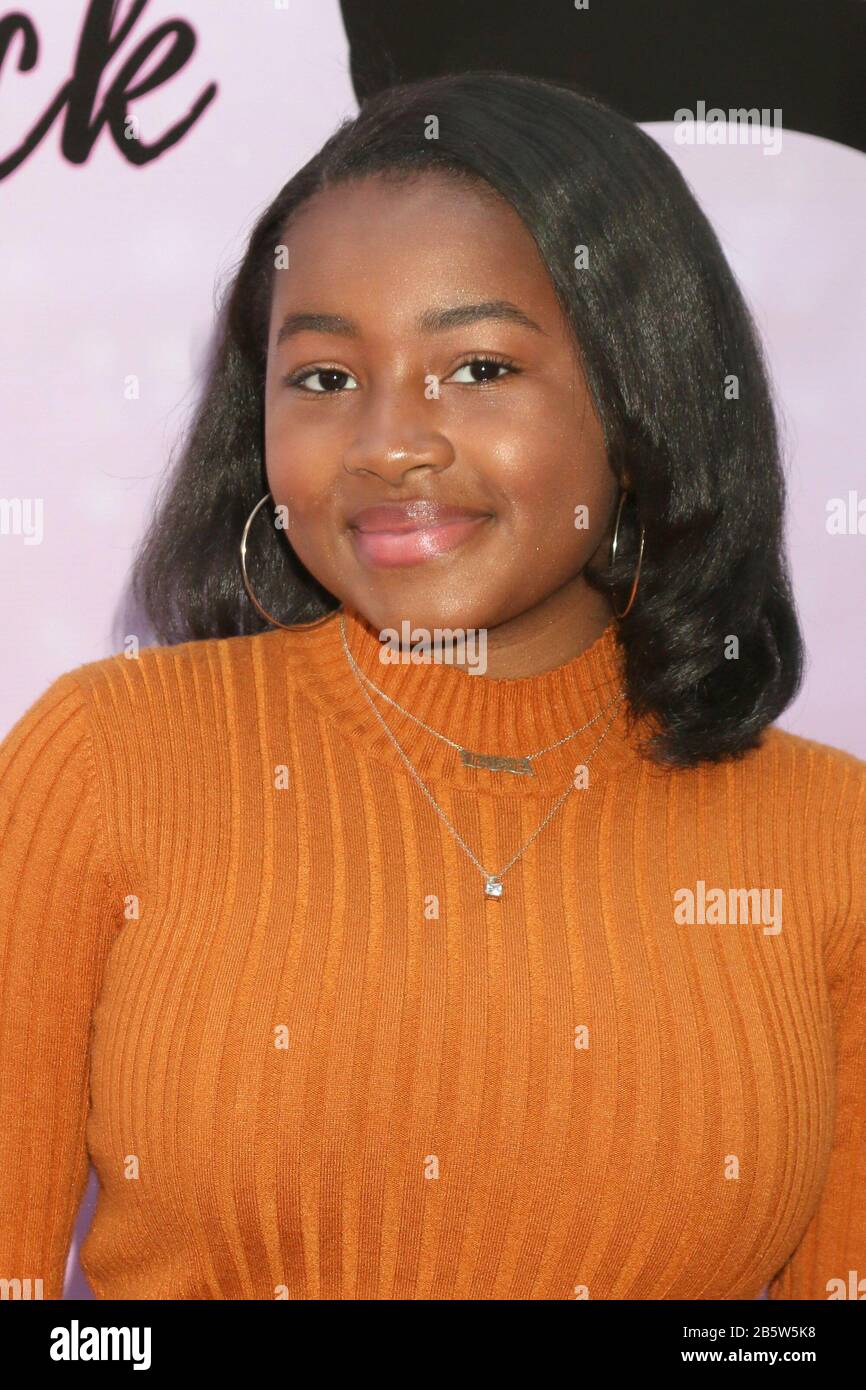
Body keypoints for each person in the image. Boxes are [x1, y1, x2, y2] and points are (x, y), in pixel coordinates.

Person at [0, 71, 863, 1301]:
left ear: (641, 391)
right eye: (323, 378)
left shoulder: (831, 842)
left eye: (476, 367)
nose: (387, 441)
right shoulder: (102, 761)